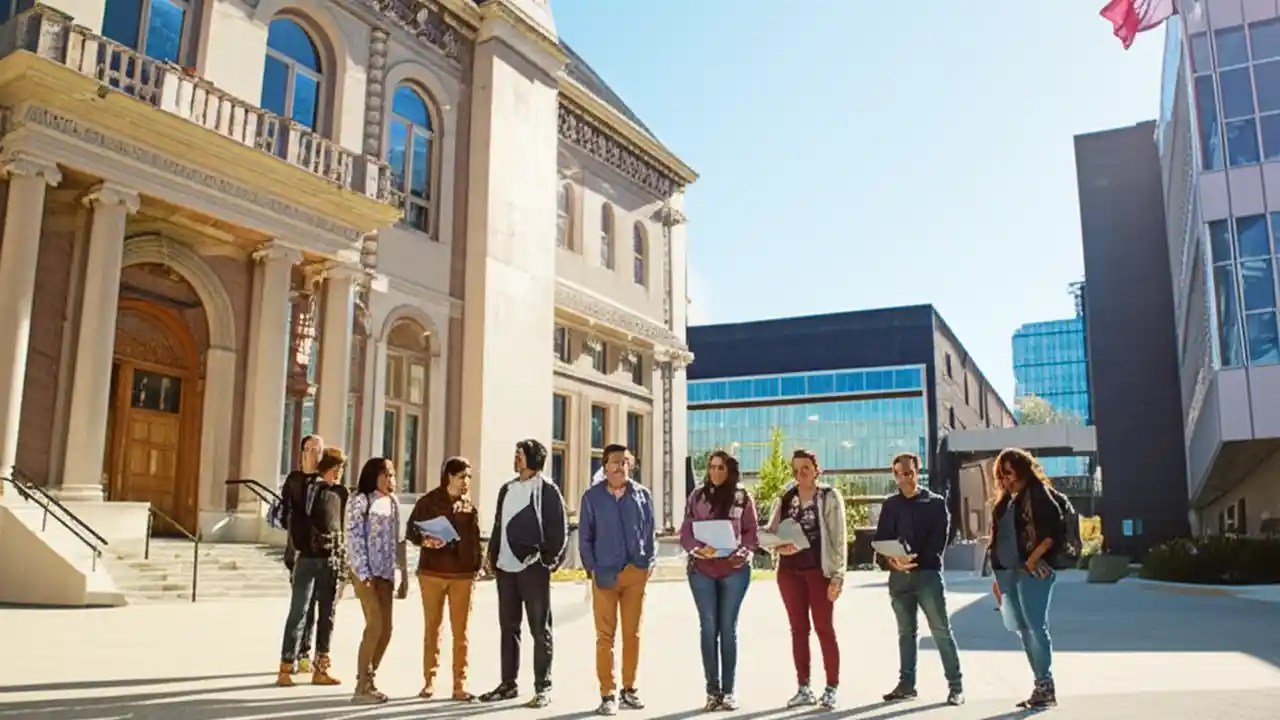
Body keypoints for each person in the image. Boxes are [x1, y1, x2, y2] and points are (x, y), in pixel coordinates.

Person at [479, 439, 569, 709]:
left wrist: (545, 560)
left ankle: (543, 687)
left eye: (519, 455)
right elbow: (499, 523)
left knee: (540, 630)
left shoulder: (548, 490)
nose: (516, 459)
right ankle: (508, 684)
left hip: (533, 570)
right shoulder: (506, 489)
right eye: (516, 454)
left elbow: (559, 530)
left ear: (533, 458)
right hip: (506, 570)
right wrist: (491, 554)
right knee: (509, 628)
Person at [875, 452, 965, 707]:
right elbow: (881, 539)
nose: (904, 478)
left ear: (917, 471)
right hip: (898, 577)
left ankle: (956, 686)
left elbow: (939, 540)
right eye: (899, 474)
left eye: (908, 473)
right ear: (894, 475)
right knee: (906, 633)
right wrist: (893, 562)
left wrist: (912, 560)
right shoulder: (890, 505)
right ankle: (906, 685)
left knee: (940, 631)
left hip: (926, 575)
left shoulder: (935, 503)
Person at [766, 449, 847, 709]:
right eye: (796, 469)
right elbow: (771, 532)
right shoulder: (786, 497)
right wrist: (778, 547)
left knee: (824, 629)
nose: (800, 474)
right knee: (798, 630)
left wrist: (838, 576)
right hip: (789, 572)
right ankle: (804, 687)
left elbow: (839, 538)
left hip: (819, 572)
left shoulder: (828, 497)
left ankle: (831, 687)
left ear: (816, 470)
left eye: (806, 469)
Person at [578, 443, 656, 715]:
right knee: (605, 637)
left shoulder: (643, 495)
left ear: (630, 465)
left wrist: (648, 564)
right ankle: (607, 693)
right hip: (605, 575)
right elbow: (585, 538)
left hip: (636, 573)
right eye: (614, 461)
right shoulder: (592, 497)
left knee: (632, 635)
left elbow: (649, 533)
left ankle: (629, 689)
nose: (620, 466)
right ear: (605, 466)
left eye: (624, 461)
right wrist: (592, 568)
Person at [989, 448, 1070, 709]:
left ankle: (1045, 685)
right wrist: (998, 576)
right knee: (1021, 627)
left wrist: (1031, 561)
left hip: (1032, 570)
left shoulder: (1038, 495)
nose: (1005, 479)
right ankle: (1040, 685)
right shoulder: (1006, 501)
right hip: (1008, 572)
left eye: (1009, 473)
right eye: (1000, 475)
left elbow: (1051, 533)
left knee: (1035, 626)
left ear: (1022, 471)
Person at [679, 450, 759, 711]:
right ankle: (711, 691)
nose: (715, 472)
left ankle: (729, 691)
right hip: (702, 569)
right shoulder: (697, 497)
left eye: (721, 468)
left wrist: (743, 552)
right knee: (708, 627)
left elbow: (751, 533)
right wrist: (697, 549)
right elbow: (687, 531)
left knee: (728, 629)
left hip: (734, 570)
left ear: (730, 471)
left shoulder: (742, 497)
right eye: (712, 467)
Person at [405, 456, 483, 702]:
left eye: (469, 477)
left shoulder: (469, 507)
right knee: (433, 628)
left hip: (462, 576)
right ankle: (429, 681)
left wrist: (476, 568)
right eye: (462, 477)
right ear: (449, 476)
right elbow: (411, 530)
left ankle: (460, 684)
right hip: (432, 573)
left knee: (461, 633)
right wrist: (425, 539)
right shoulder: (429, 502)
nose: (466, 482)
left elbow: (474, 541)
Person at [276, 447, 347, 687]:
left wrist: (343, 560)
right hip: (306, 558)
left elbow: (341, 527)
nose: (340, 474)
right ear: (333, 469)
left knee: (327, 615)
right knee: (299, 611)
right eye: (338, 469)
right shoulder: (307, 488)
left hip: (331, 560)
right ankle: (286, 666)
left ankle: (321, 668)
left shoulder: (340, 493)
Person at [347, 457, 401, 704]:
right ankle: (362, 686)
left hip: (387, 574)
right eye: (385, 475)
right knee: (375, 624)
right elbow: (354, 536)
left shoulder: (392, 503)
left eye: (392, 475)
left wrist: (401, 574)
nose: (390, 480)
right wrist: (363, 571)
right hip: (366, 574)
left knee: (387, 629)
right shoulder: (360, 501)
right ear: (373, 476)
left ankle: (370, 676)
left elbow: (396, 542)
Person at [279, 434, 322, 676]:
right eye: (309, 449)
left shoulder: (323, 482)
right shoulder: (294, 480)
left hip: (320, 553)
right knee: (299, 606)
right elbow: (284, 513)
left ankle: (305, 652)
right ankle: (289, 655)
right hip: (298, 552)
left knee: (314, 605)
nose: (313, 454)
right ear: (301, 453)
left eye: (318, 450)